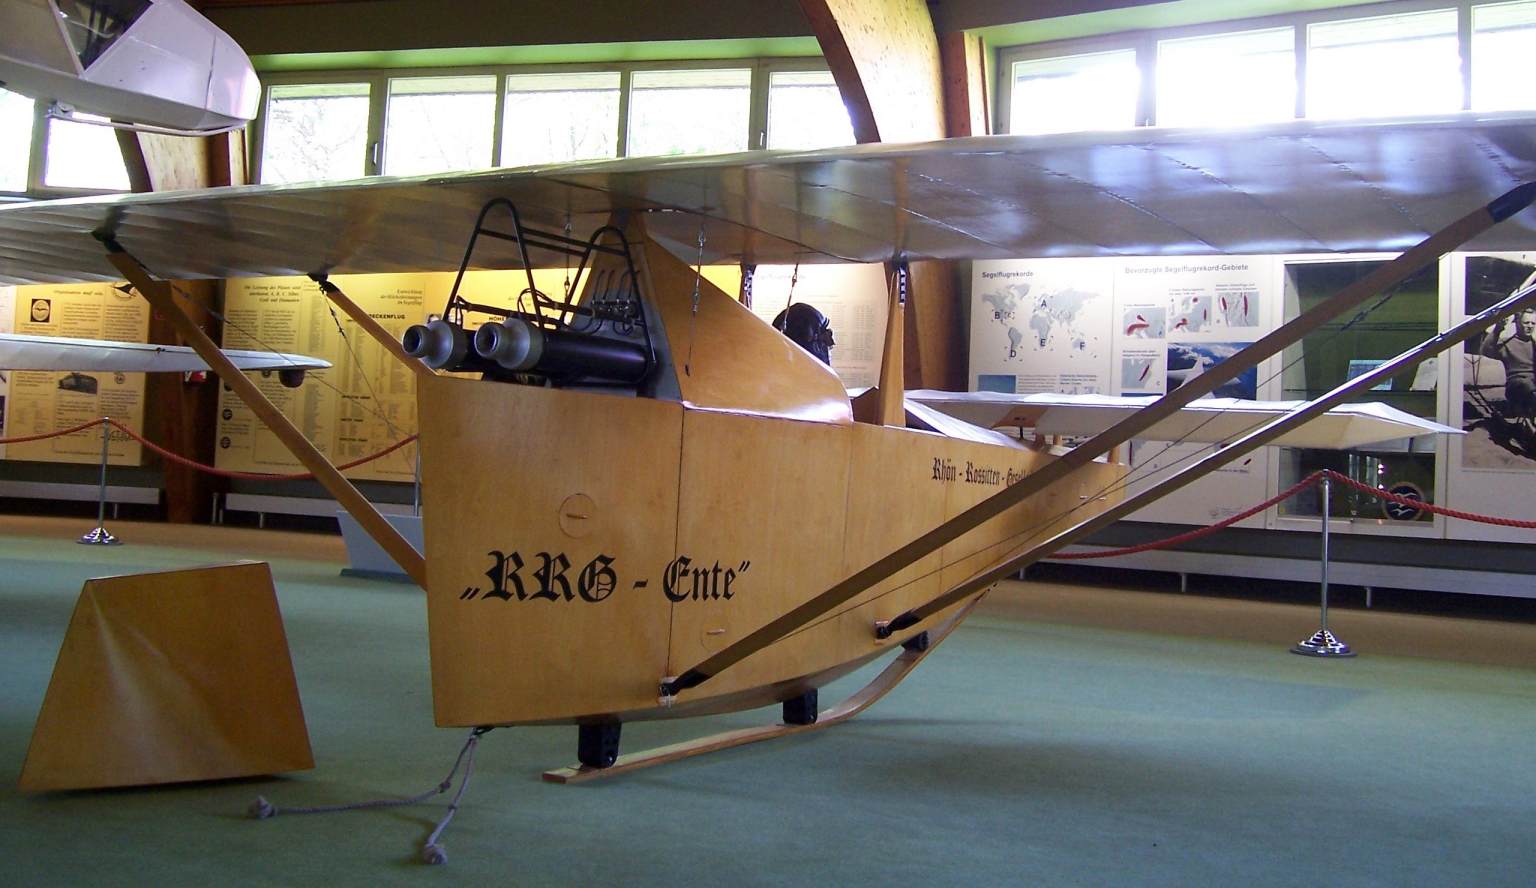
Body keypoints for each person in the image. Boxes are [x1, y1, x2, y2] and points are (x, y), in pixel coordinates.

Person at [1480, 308, 1536, 417]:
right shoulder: (1507, 343)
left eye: (1533, 323)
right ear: (1518, 323)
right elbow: (1486, 351)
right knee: (1525, 383)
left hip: (1532, 385)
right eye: (1526, 323)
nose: (1530, 326)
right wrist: (1498, 329)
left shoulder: (1534, 345)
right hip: (1516, 386)